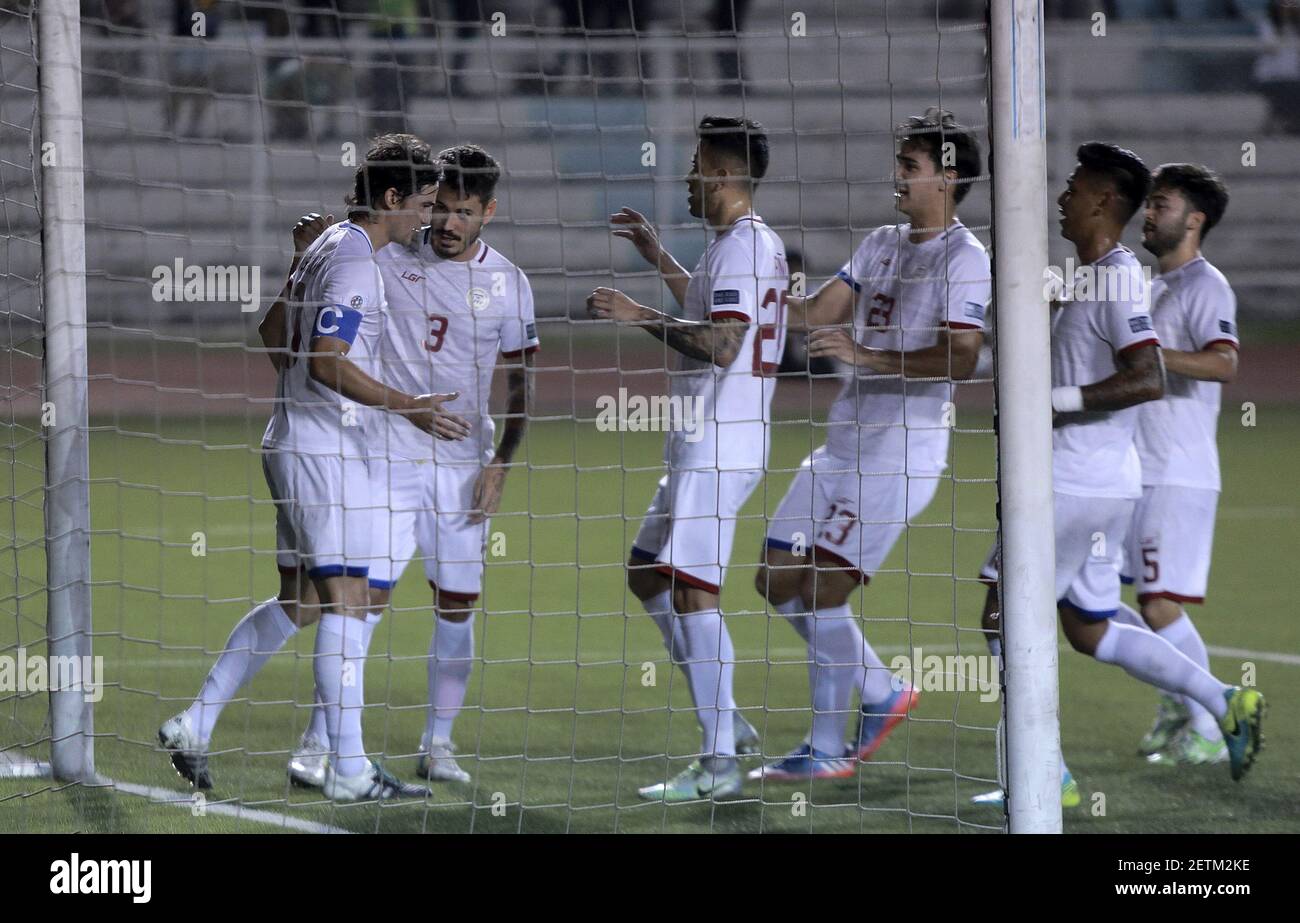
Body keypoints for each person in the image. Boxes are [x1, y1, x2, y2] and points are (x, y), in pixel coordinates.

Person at [159, 134, 470, 803]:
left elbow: (276, 338)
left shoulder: (325, 246)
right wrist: (407, 404)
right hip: (320, 452)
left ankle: (195, 722)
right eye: (418, 203)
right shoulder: (355, 258)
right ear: (390, 198)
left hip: (296, 439)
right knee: (349, 602)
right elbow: (327, 359)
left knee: (303, 601)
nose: (425, 216)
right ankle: (347, 768)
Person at [972, 143, 1264, 808]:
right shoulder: (1090, 275)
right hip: (1101, 482)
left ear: (1104, 200)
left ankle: (1044, 772)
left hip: (1076, 481)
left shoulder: (1119, 279)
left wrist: (1053, 404)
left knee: (1000, 612)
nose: (1061, 195)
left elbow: (1147, 374)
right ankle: (1222, 699)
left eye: (1074, 185)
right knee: (1089, 625)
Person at [286, 144, 538, 788]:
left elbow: (520, 383)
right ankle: (322, 747)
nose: (448, 224)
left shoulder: (508, 282)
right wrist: (308, 245)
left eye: (463, 213)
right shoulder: (385, 256)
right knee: (358, 603)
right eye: (441, 209)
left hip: (462, 465)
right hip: (386, 458)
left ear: (488, 212)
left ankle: (439, 744)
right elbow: (331, 270)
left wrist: (501, 462)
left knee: (457, 605)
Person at [752, 108, 988, 780]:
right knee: (775, 576)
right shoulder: (883, 240)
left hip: (899, 453)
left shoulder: (966, 259)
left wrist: (869, 356)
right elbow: (818, 311)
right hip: (843, 445)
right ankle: (882, 690)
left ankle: (826, 750)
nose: (898, 177)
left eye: (910, 167)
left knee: (822, 591)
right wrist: (751, 298)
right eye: (899, 163)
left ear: (949, 178)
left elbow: (962, 357)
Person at [588, 115, 787, 801]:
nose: (687, 175)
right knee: (648, 571)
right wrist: (659, 258)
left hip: (720, 440)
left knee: (692, 587)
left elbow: (723, 344)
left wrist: (636, 312)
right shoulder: (736, 245)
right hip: (706, 440)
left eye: (697, 162)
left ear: (725, 173)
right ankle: (725, 719)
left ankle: (718, 758)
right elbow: (712, 310)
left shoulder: (742, 248)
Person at [1118, 163, 1240, 767]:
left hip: (1176, 470)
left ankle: (1214, 724)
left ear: (1194, 220)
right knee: (1085, 595)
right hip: (1127, 470)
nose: (1148, 212)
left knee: (1159, 604)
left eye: (1161, 204)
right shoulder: (1150, 285)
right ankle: (1175, 692)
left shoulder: (1205, 285)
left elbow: (1223, 364)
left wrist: (1152, 354)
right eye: (1149, 203)